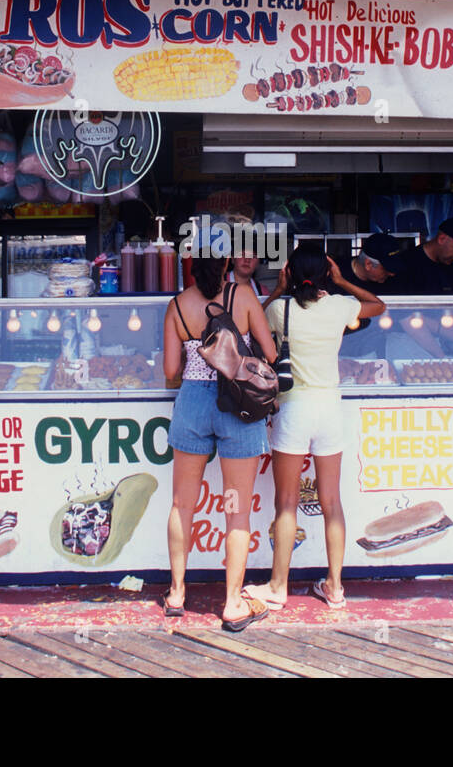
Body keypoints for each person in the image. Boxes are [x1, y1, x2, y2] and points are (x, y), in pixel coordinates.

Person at [246, 244, 385, 611]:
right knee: (332, 503)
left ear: (289, 272)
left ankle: (278, 586)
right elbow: (378, 305)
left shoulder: (280, 308)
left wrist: (277, 290)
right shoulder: (339, 306)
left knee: (287, 503)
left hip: (294, 409)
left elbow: (250, 325)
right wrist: (343, 283)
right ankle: (335, 587)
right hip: (329, 409)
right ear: (327, 273)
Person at [162, 250, 278, 631]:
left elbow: (170, 370)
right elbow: (272, 353)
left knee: (182, 504)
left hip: (193, 401)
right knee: (237, 508)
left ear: (191, 268)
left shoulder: (177, 305)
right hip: (237, 403)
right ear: (226, 265)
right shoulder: (242, 296)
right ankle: (232, 603)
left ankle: (177, 593)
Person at [386, 217, 453, 360]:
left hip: (437, 341)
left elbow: (447, 309)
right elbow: (404, 317)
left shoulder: (449, 270)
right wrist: (441, 356)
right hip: (403, 343)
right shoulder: (405, 265)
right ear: (441, 239)